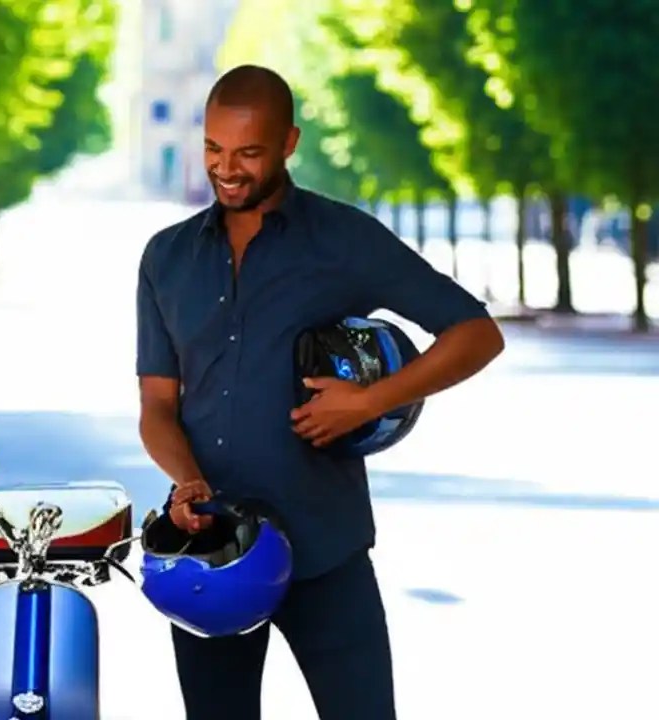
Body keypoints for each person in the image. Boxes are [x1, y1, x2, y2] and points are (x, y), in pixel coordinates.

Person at [134, 64, 506, 719]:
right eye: (214, 149)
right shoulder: (166, 258)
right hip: (212, 558)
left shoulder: (344, 240)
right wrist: (187, 479)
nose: (227, 169)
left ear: (289, 143)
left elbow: (476, 333)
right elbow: (157, 408)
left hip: (326, 550)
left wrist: (372, 400)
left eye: (248, 153)